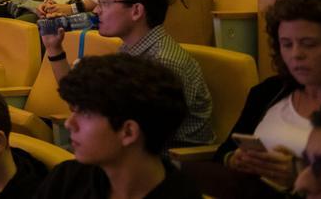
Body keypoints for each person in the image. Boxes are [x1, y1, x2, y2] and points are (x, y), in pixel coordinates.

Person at [43, 0, 214, 147]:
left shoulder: (163, 63)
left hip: (167, 161)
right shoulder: (131, 49)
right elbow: (82, 101)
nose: (96, 11)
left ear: (136, 11)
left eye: (105, 3)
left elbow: (142, 138)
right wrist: (54, 49)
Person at [201, 0, 321, 199]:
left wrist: (301, 173)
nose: (296, 54)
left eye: (308, 44)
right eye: (287, 44)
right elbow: (223, 153)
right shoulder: (268, 92)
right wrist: (236, 160)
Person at [34, 54, 203, 199]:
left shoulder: (182, 194)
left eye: (85, 114)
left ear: (128, 132)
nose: (69, 123)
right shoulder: (68, 178)